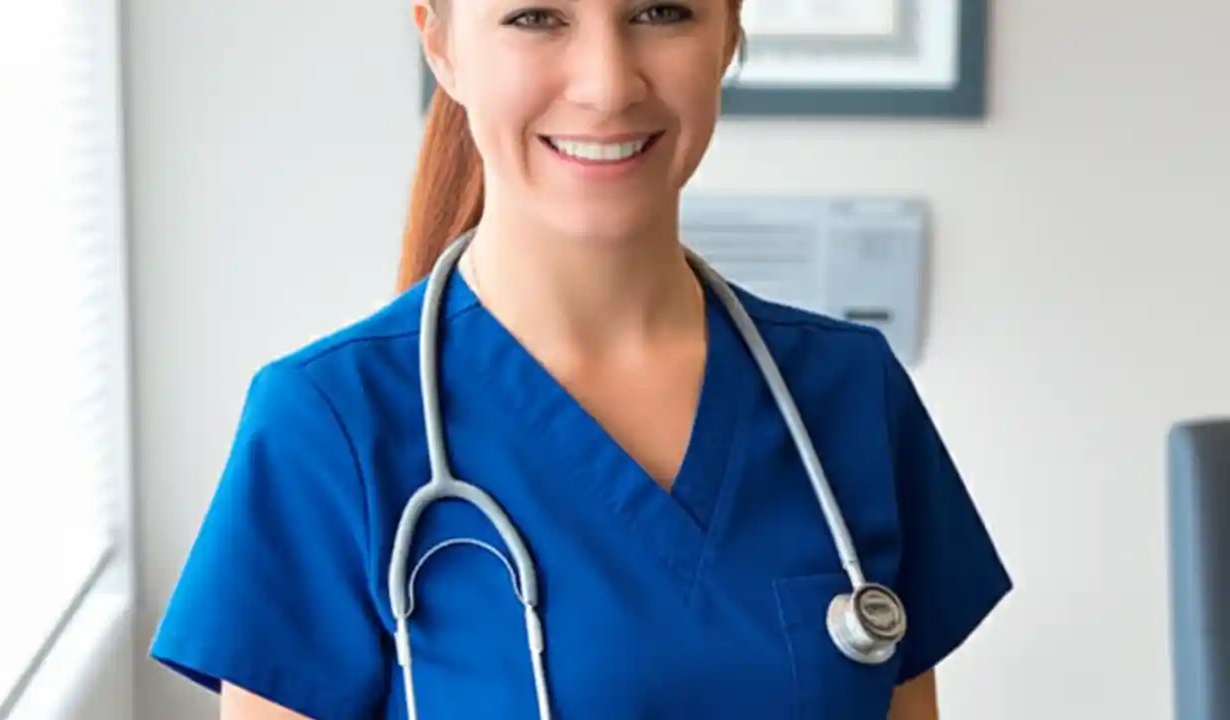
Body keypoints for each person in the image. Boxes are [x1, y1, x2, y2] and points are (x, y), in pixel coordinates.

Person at [149, 0, 1014, 717]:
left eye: (661, 12)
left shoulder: (849, 396)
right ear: (441, 44)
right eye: (537, 17)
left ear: (728, 31)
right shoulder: (328, 427)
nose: (608, 84)